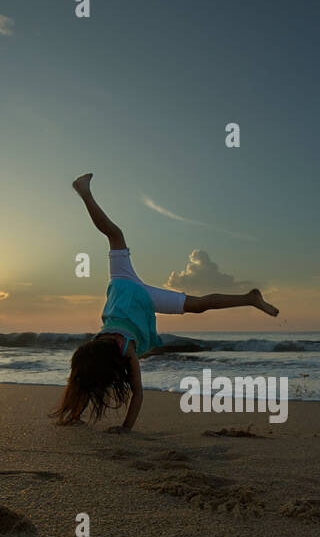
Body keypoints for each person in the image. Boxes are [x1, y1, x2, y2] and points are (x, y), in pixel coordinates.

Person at [52, 173, 278, 432]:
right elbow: (90, 383)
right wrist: (81, 416)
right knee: (196, 303)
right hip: (129, 289)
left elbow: (137, 394)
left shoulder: (124, 351)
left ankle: (85, 193)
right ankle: (249, 298)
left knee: (118, 236)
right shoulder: (96, 352)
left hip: (130, 290)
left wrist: (126, 428)